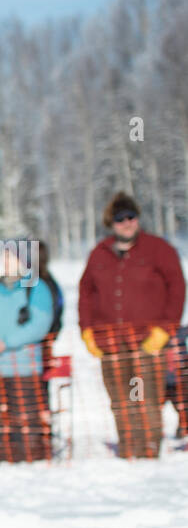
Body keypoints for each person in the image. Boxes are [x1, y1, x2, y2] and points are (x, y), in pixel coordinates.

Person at [78, 191, 186, 459]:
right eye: (120, 219)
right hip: (110, 342)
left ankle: (148, 449)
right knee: (120, 399)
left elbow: (177, 287)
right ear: (111, 223)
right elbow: (86, 292)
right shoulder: (99, 253)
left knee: (144, 397)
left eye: (131, 217)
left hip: (147, 341)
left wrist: (165, 328)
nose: (127, 223)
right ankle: (127, 448)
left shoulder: (157, 249)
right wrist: (87, 332)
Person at [0, 242, 54, 464]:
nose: (6, 262)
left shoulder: (36, 288)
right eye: (5, 257)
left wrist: (6, 342)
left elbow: (40, 324)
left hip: (23, 367)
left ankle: (31, 458)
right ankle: (0, 457)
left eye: (11, 257)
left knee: (25, 416)